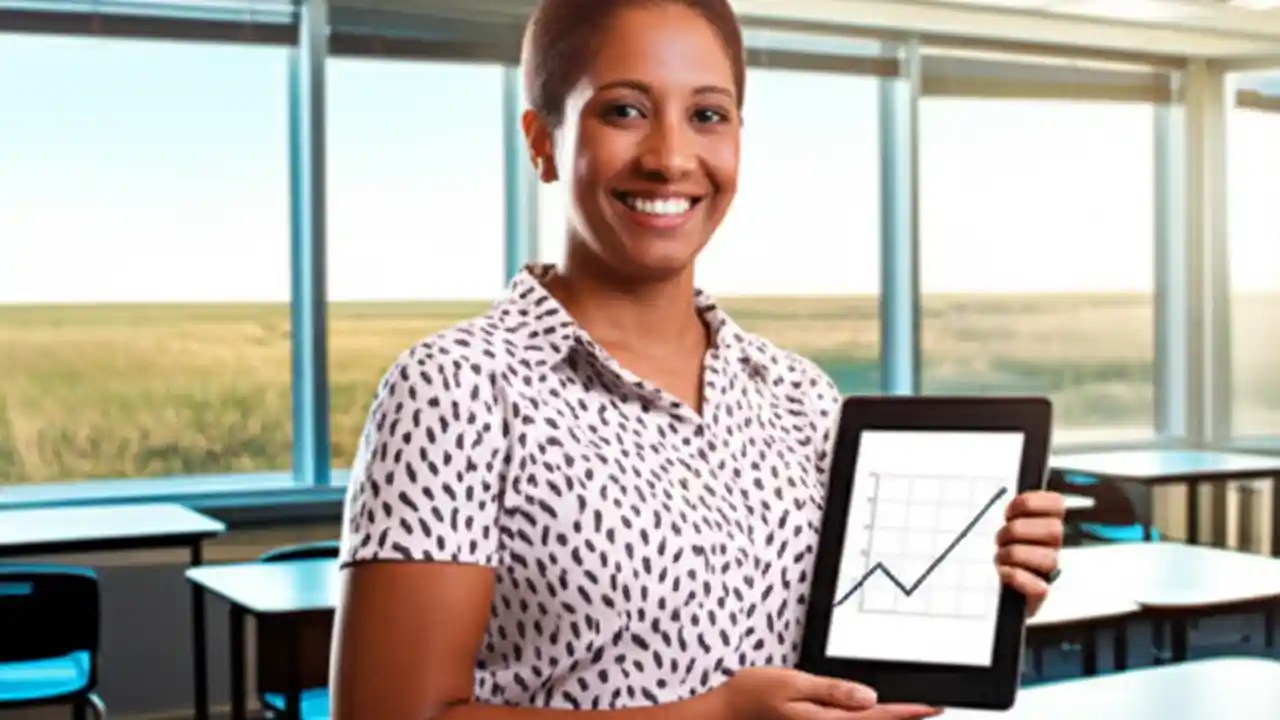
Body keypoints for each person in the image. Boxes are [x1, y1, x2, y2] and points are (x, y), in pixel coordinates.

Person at [329, 1, 1066, 718]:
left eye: (707, 115)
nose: (670, 159)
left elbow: (842, 674)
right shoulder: (455, 389)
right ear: (542, 141)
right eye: (624, 110)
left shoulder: (800, 396)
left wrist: (973, 602)